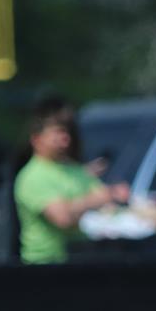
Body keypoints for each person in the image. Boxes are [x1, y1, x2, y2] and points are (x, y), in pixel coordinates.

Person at [13, 112, 129, 264]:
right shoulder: (33, 176)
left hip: (81, 257)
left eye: (65, 134)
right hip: (45, 263)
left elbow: (108, 200)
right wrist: (93, 202)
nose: (64, 140)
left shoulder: (74, 170)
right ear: (36, 140)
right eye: (56, 135)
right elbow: (63, 218)